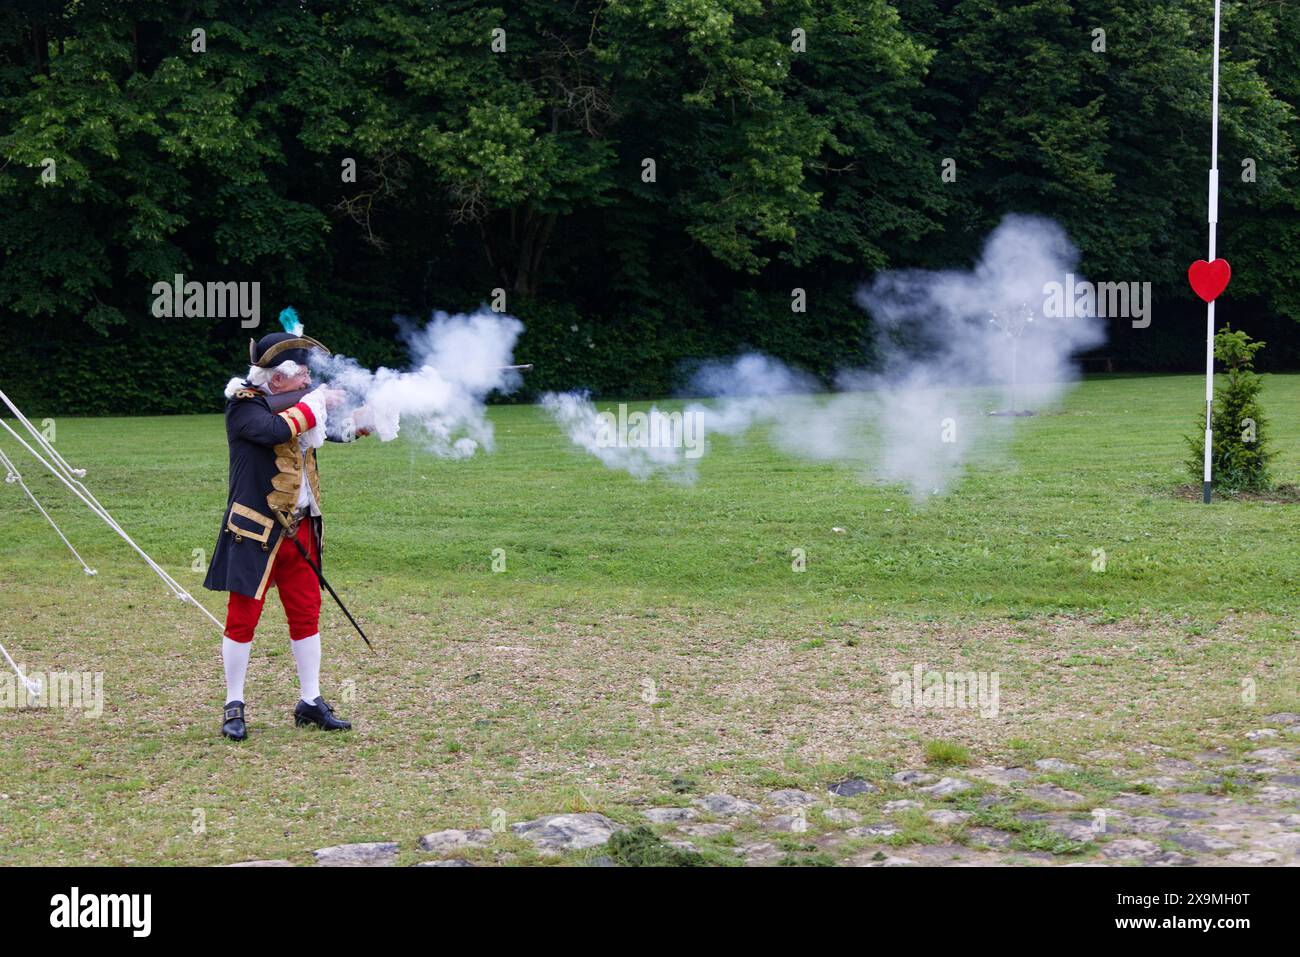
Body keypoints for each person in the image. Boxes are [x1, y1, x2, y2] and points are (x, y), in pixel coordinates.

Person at [203, 330, 372, 741]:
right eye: (301, 377)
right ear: (277, 378)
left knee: (306, 615)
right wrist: (316, 402)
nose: (307, 383)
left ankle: (310, 701)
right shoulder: (244, 407)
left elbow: (329, 433)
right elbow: (276, 431)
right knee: (242, 620)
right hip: (255, 530)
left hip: (303, 527)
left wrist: (365, 421)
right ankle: (234, 703)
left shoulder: (300, 405)